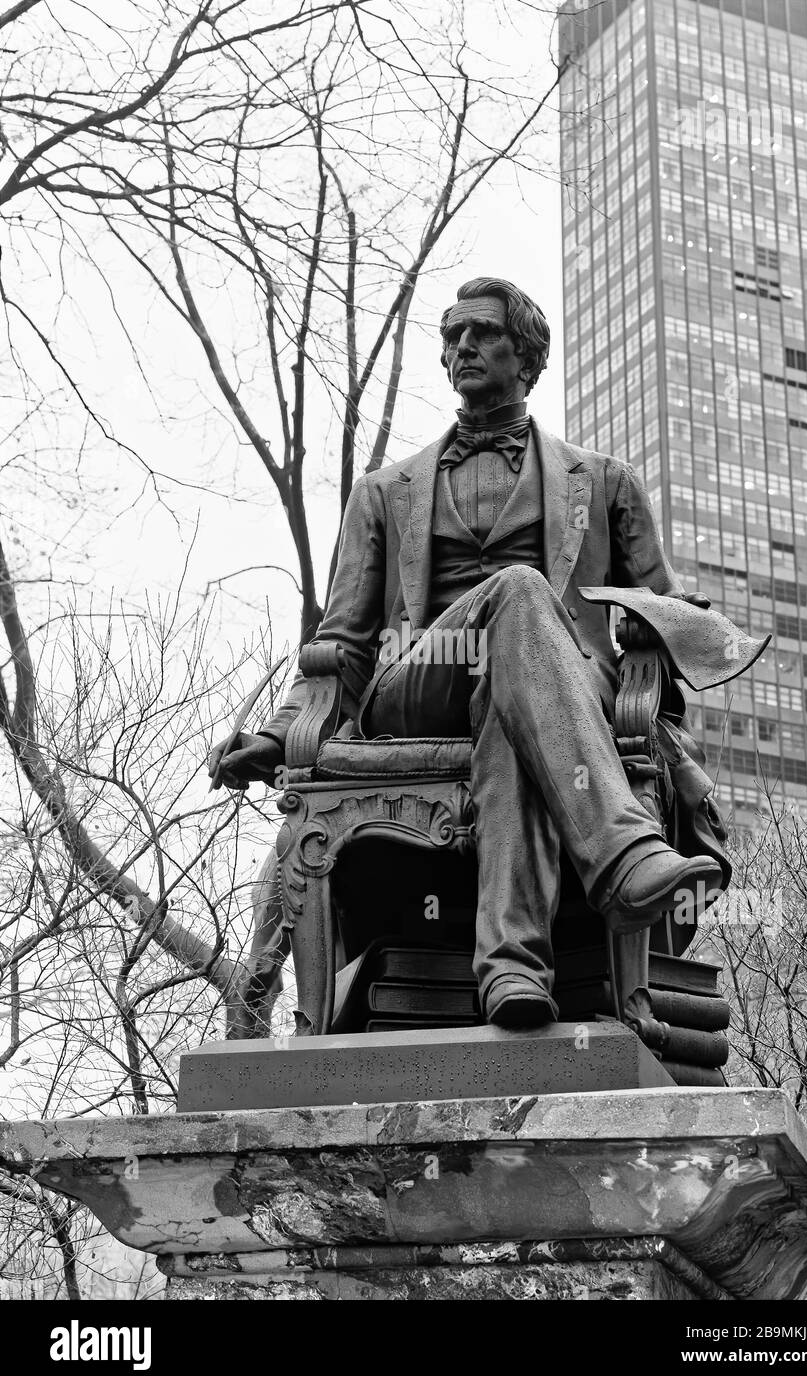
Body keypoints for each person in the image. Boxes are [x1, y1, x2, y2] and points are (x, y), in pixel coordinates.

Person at [208, 278, 722, 1027]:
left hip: (551, 695)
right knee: (518, 590)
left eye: (480, 334)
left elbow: (662, 619)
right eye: (451, 338)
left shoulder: (606, 483)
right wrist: (283, 731)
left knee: (512, 710)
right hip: (418, 683)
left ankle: (512, 973)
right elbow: (344, 643)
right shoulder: (385, 492)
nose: (460, 349)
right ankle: (621, 853)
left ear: (528, 354)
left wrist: (682, 635)